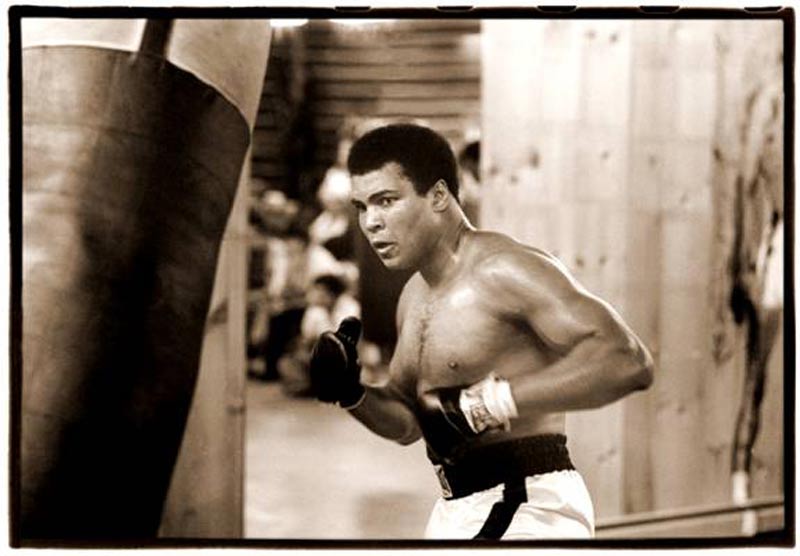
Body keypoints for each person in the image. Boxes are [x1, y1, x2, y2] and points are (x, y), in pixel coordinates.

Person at [309, 123, 655, 540]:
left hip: (526, 502)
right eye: (362, 207)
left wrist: (488, 403)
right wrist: (353, 394)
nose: (371, 223)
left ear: (438, 196)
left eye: (386, 201)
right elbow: (412, 423)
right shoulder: (414, 295)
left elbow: (627, 360)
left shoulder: (503, 268)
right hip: (459, 506)